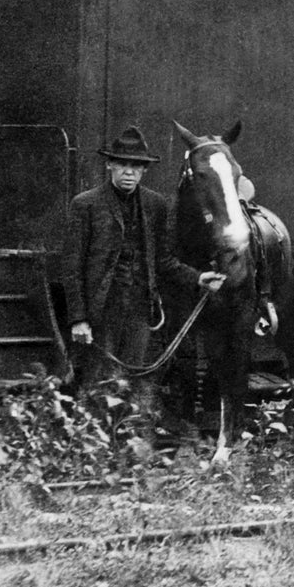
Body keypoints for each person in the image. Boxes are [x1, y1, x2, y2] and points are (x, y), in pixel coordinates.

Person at [61, 127, 224, 428]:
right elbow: (71, 267)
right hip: (101, 311)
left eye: (136, 167)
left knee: (134, 381)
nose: (129, 173)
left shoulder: (155, 205)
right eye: (123, 164)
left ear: (144, 171)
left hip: (139, 308)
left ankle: (125, 451)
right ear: (109, 165)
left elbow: (163, 261)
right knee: (99, 382)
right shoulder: (85, 205)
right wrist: (78, 319)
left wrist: (199, 278)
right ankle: (92, 450)